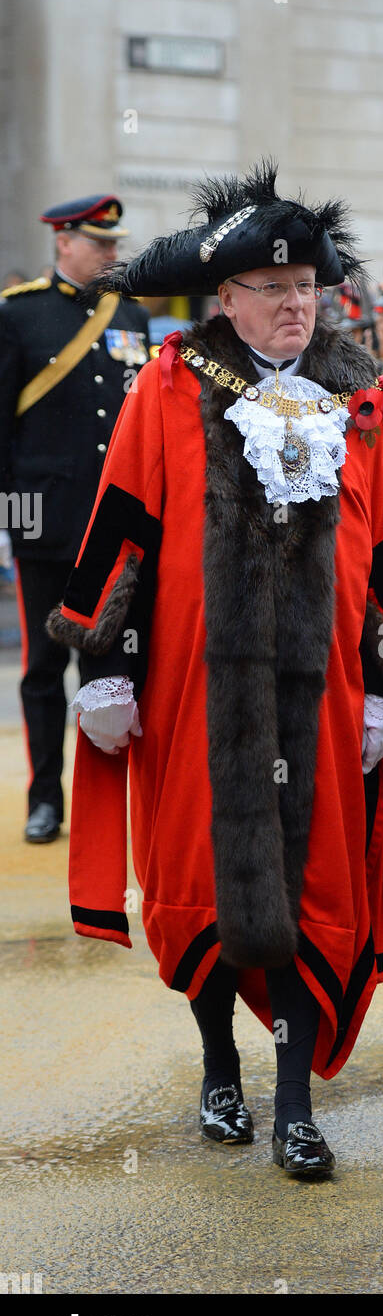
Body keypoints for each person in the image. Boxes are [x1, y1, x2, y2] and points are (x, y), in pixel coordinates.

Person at [46, 163, 383, 1181]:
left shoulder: (362, 402)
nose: (293, 305)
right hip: (193, 690)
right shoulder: (168, 385)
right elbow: (121, 527)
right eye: (270, 289)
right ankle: (221, 1061)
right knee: (204, 885)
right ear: (225, 298)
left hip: (324, 698)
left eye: (305, 286)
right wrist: (102, 666)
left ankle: (297, 1106)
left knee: (319, 887)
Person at [0, 194, 150, 843]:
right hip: (45, 523)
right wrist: (14, 520)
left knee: (108, 667)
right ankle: (44, 799)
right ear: (64, 241)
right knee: (41, 672)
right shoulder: (19, 314)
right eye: (100, 242)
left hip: (113, 529)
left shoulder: (135, 316)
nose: (112, 253)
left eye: (115, 244)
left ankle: (100, 798)